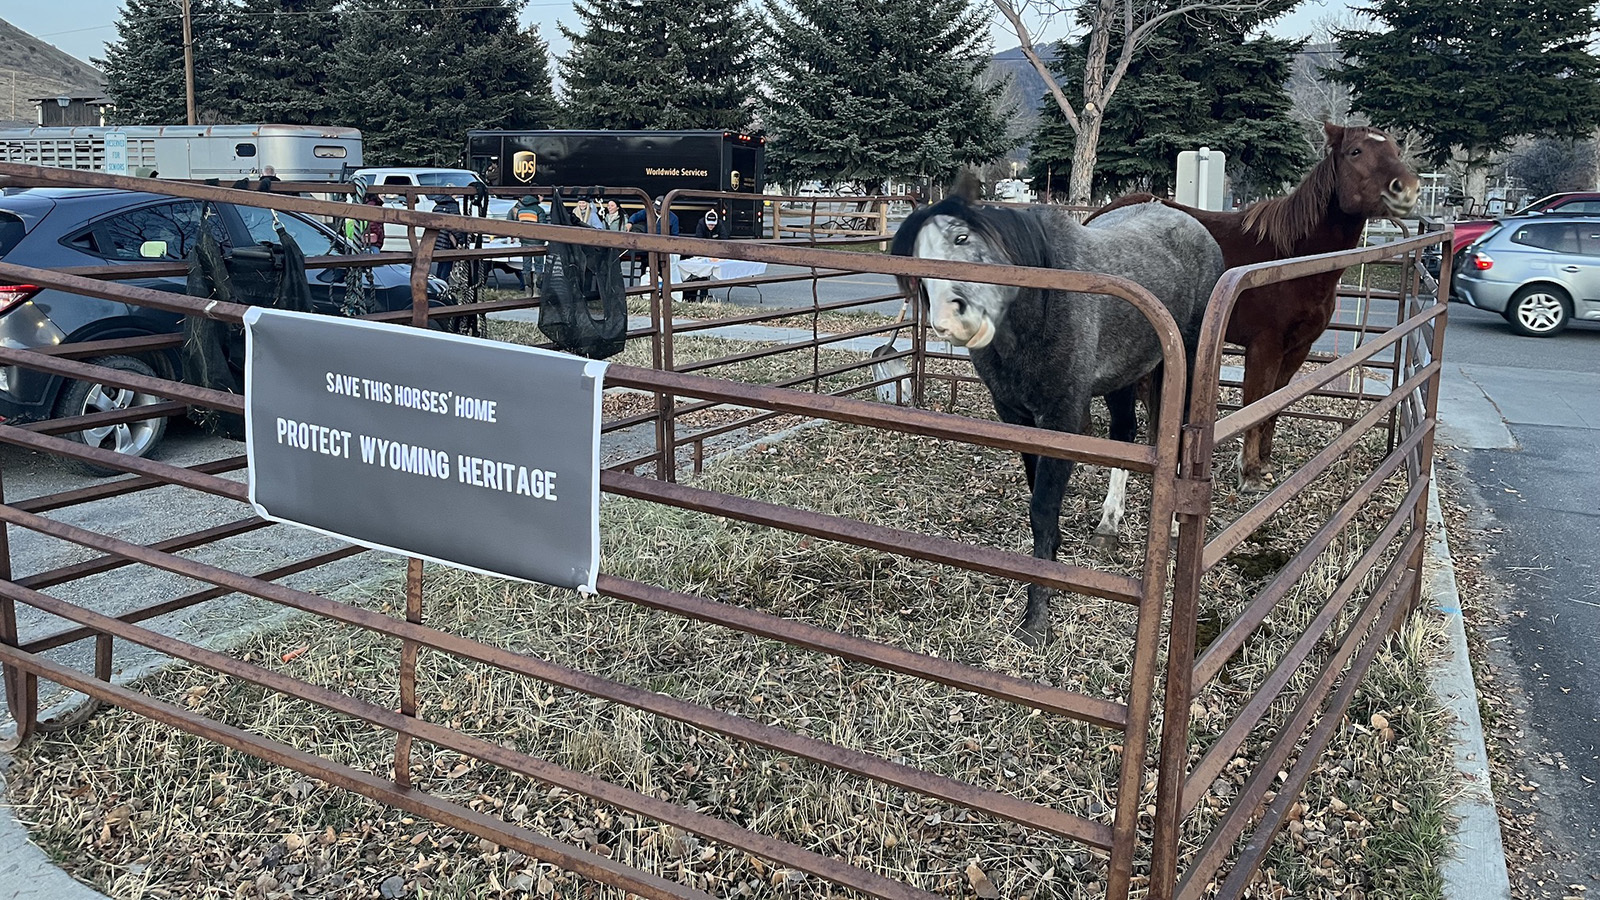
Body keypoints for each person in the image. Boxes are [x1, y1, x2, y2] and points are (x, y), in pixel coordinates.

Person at [506, 194, 547, 295]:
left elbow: (517, 226)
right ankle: (537, 290)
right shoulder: (539, 210)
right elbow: (543, 227)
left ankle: (528, 290)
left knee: (526, 266)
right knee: (539, 266)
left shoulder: (521, 211)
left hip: (524, 242)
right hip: (538, 242)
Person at [430, 194, 465, 283]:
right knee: (447, 266)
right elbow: (455, 225)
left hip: (438, 239)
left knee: (441, 265)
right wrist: (461, 240)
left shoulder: (437, 206)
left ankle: (438, 285)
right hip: (448, 241)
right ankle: (444, 287)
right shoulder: (452, 206)